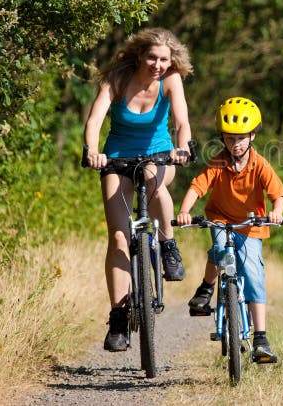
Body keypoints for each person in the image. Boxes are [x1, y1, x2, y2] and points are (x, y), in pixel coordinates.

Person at [83, 27, 194, 352]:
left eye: (164, 59)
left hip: (160, 156)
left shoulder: (171, 80)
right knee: (118, 237)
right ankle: (118, 318)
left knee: (151, 176)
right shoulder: (117, 78)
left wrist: (183, 147)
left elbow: (182, 121)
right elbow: (94, 121)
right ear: (139, 55)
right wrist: (92, 151)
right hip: (117, 158)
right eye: (152, 57)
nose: (158, 65)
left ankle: (168, 245)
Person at [175, 97, 283, 364]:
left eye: (240, 138)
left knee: (254, 273)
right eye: (228, 138)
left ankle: (260, 337)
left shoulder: (260, 165)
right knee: (220, 251)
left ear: (252, 136)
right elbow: (197, 187)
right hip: (220, 218)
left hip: (251, 225)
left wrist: (276, 212)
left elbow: (278, 194)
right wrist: (184, 211)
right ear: (222, 138)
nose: (234, 144)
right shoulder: (218, 162)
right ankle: (206, 288)